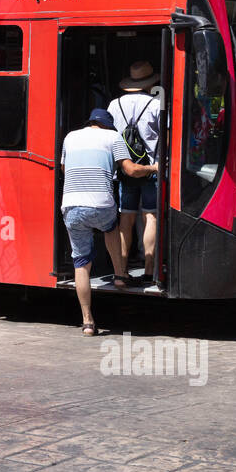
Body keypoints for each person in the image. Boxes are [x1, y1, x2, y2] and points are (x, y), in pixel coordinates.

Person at [61, 108, 158, 336]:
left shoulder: (70, 137)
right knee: (111, 227)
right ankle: (120, 275)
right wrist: (153, 167)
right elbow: (131, 170)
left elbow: (65, 169)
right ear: (107, 125)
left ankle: (87, 322)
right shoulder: (113, 137)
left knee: (81, 263)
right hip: (101, 204)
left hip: (72, 205)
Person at [107, 61, 162, 282]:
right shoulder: (156, 104)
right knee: (150, 216)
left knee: (126, 220)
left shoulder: (113, 105)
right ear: (149, 83)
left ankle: (121, 271)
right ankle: (150, 271)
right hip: (152, 169)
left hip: (125, 170)